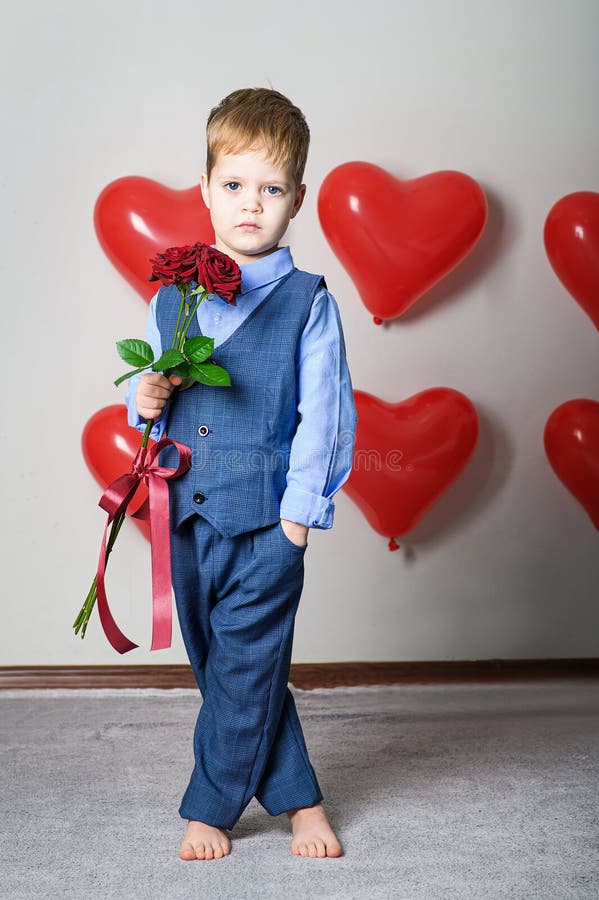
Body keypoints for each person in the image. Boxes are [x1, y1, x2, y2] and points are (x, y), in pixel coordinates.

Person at [126, 87, 358, 861]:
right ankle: (301, 801)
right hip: (185, 518)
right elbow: (152, 395)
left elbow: (324, 418)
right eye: (233, 186)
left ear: (298, 197)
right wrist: (144, 397)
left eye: (270, 189)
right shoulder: (173, 297)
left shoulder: (307, 302)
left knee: (245, 662)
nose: (249, 205)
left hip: (265, 521)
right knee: (230, 669)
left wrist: (298, 517)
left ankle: (211, 807)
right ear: (205, 191)